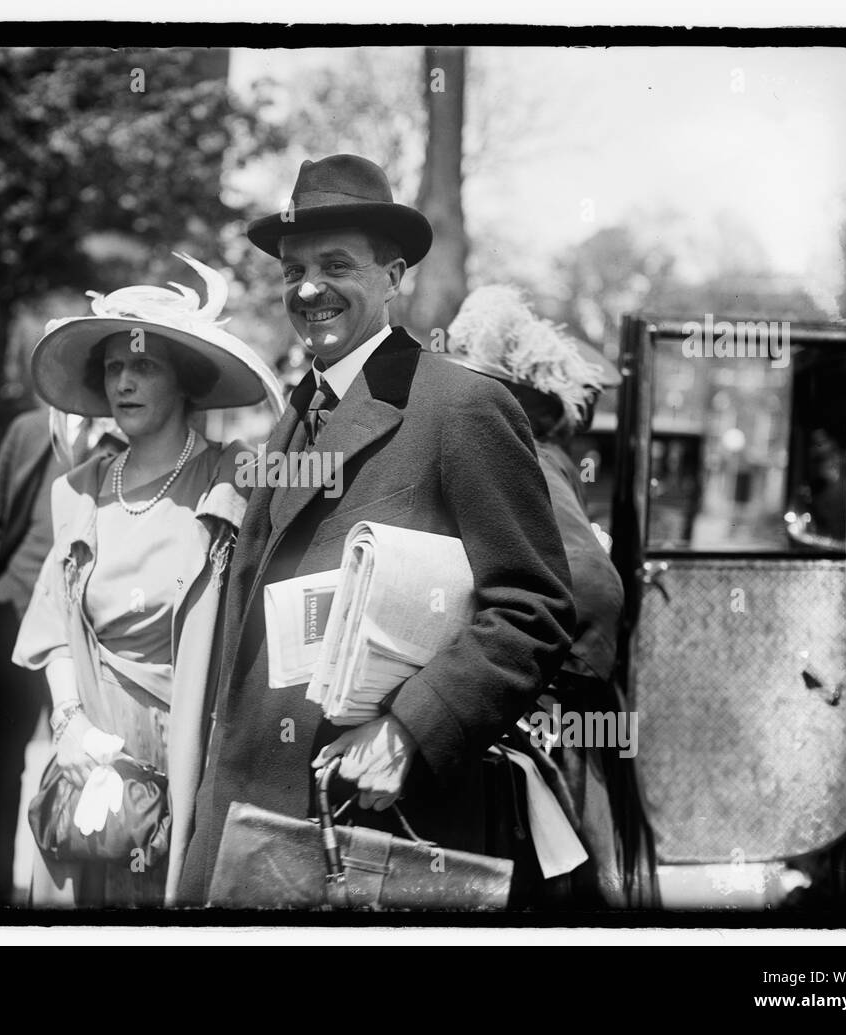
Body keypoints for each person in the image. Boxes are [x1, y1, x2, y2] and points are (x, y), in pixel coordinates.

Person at [178, 154, 576, 907]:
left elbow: (533, 610)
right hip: (250, 814)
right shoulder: (293, 416)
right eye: (293, 270)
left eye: (336, 265)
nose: (308, 289)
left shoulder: (459, 407)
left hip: (364, 824)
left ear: (393, 277)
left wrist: (409, 730)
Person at [12, 254, 283, 906]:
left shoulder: (232, 482)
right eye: (112, 367)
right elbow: (50, 632)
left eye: (144, 365)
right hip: (92, 769)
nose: (123, 383)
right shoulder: (78, 493)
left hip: (193, 754)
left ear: (185, 379)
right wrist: (70, 721)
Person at [447, 284, 657, 907]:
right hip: (580, 670)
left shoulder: (497, 437)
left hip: (549, 672)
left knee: (539, 872)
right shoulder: (552, 447)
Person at [0, 404, 124, 907]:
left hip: (85, 625)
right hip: (10, 614)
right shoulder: (29, 429)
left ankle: (86, 895)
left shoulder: (132, 429)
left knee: (89, 754)